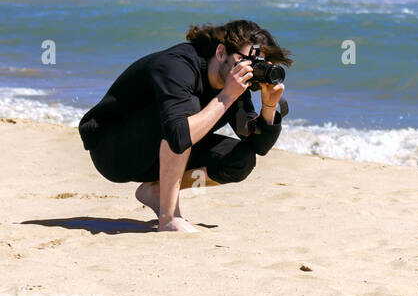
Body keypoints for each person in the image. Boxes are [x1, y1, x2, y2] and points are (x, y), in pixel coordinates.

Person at [77, 20, 292, 232]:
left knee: (241, 160)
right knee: (187, 108)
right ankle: (169, 217)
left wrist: (269, 106)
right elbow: (179, 136)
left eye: (258, 65)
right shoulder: (178, 66)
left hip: (156, 156)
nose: (249, 70)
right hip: (112, 151)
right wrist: (226, 96)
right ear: (220, 52)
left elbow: (258, 146)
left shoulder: (236, 88)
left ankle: (157, 191)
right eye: (245, 61)